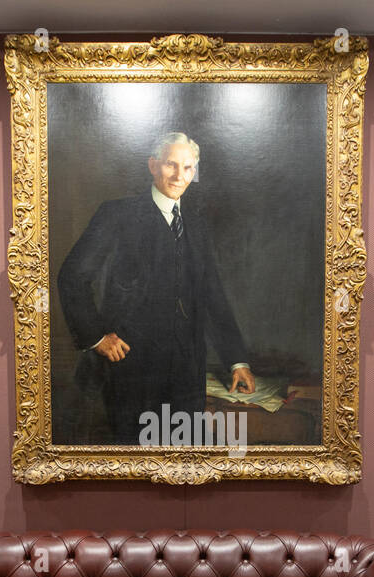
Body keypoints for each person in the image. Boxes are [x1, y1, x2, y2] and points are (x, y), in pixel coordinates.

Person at [57, 132, 255, 444]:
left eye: (188, 168)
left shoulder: (197, 222)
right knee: (135, 459)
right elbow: (72, 275)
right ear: (153, 165)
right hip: (132, 368)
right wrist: (95, 337)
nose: (179, 176)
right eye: (170, 165)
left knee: (187, 458)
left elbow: (211, 294)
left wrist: (236, 360)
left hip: (187, 370)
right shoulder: (118, 214)